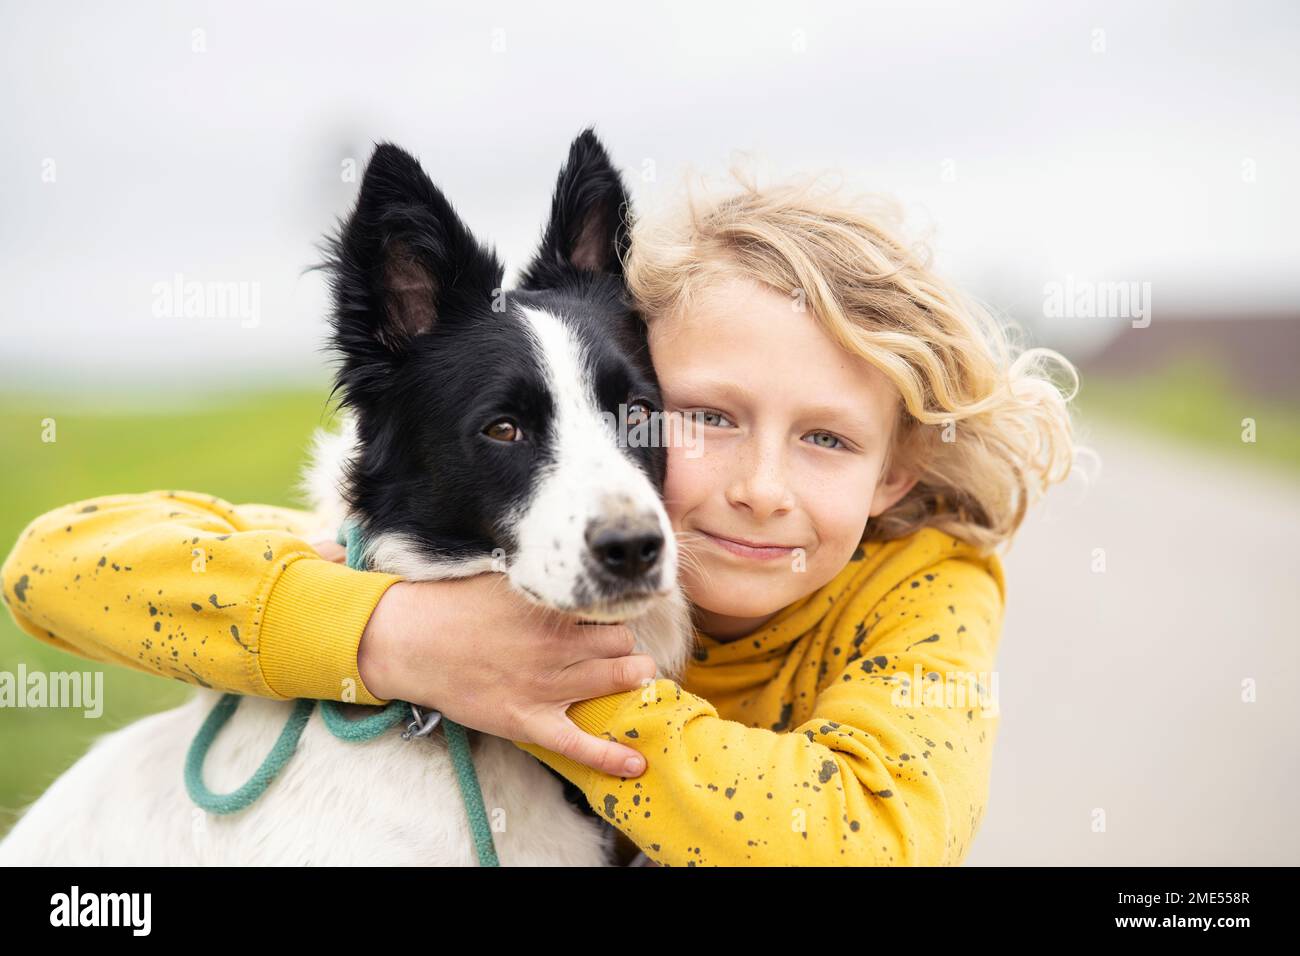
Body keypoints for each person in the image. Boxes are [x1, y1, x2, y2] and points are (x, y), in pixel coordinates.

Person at [0, 163, 1080, 866]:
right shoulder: (365, 567)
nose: (758, 486)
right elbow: (49, 567)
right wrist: (389, 636)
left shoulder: (919, 590)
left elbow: (859, 835)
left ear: (897, 468)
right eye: (707, 416)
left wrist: (530, 683)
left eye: (827, 437)